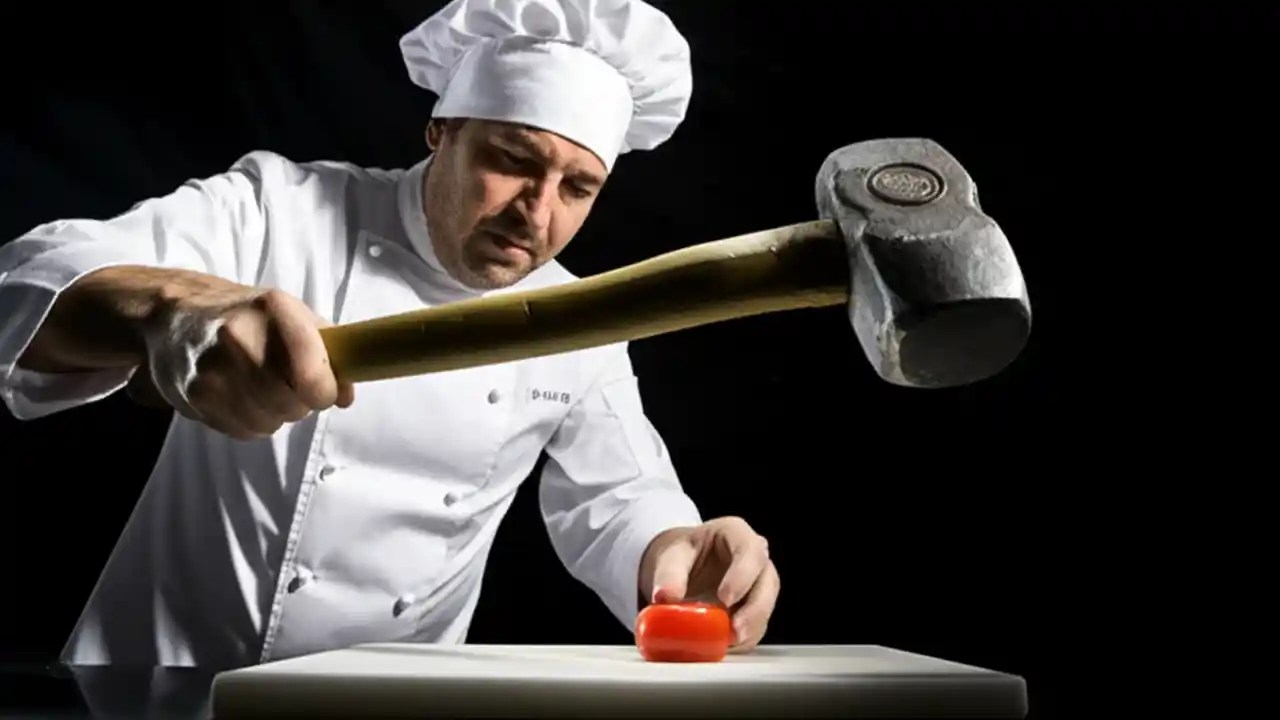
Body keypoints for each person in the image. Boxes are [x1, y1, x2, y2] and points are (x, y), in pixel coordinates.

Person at [0, 0, 779, 668]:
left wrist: (679, 552)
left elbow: (621, 497)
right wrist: (170, 306)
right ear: (442, 129)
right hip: (154, 686)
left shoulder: (583, 319)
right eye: (512, 160)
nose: (536, 215)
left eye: (577, 188)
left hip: (390, 700)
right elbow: (30, 280)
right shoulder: (281, 208)